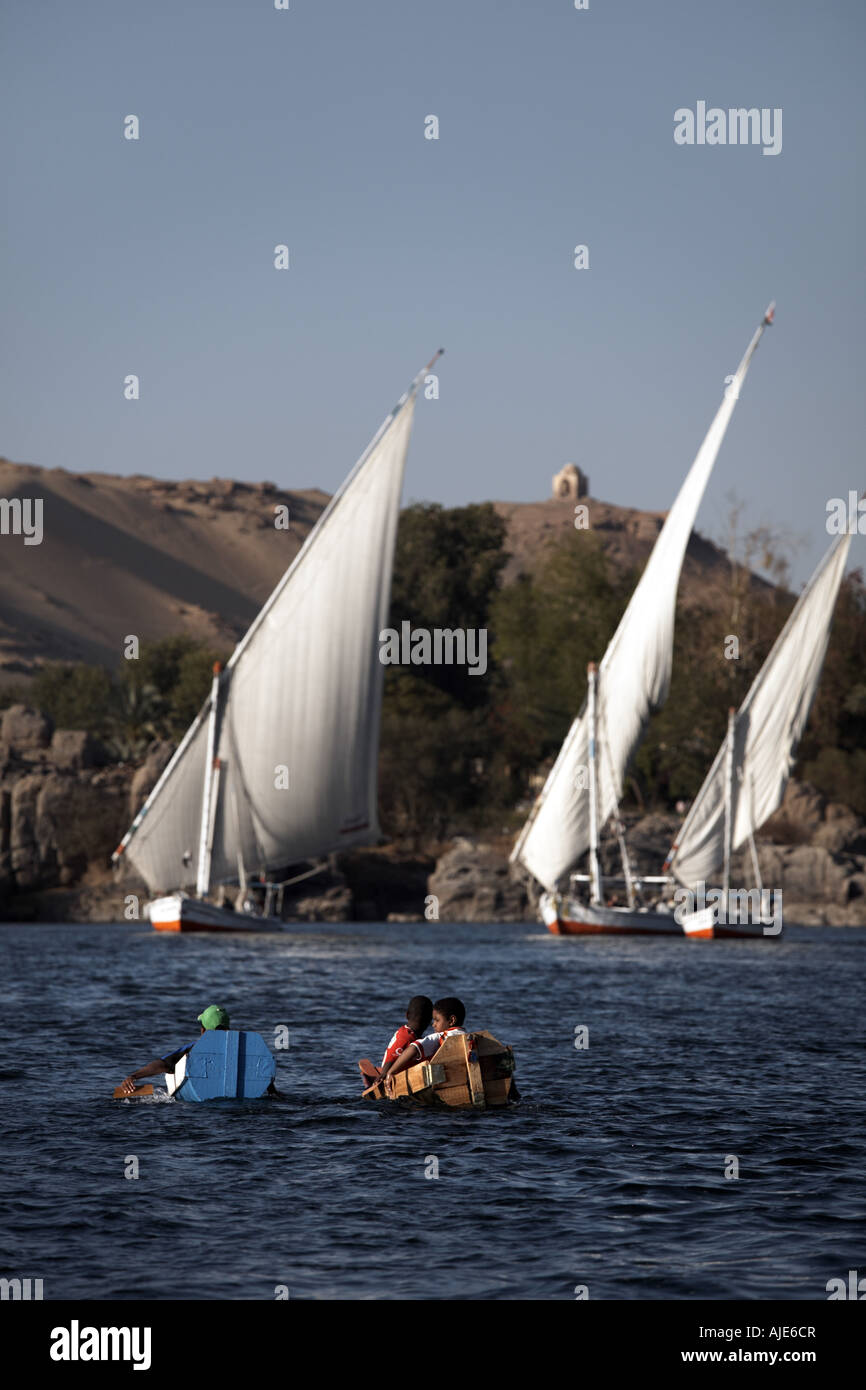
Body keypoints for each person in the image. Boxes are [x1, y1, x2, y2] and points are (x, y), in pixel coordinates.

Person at [117, 1005, 279, 1096]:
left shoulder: (194, 1048)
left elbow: (162, 1065)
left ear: (202, 1031)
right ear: (228, 1027)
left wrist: (133, 1076)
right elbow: (267, 1081)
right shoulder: (247, 1050)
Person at [378, 996, 466, 1092]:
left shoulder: (441, 1036)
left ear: (452, 1021)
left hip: (443, 1082)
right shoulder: (468, 1037)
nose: (433, 1024)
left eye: (437, 1020)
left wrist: (391, 1072)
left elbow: (414, 1048)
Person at [358, 995, 433, 1091]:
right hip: (392, 1076)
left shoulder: (410, 1033)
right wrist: (384, 1074)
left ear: (407, 1015)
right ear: (430, 1020)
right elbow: (392, 1057)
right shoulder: (406, 1036)